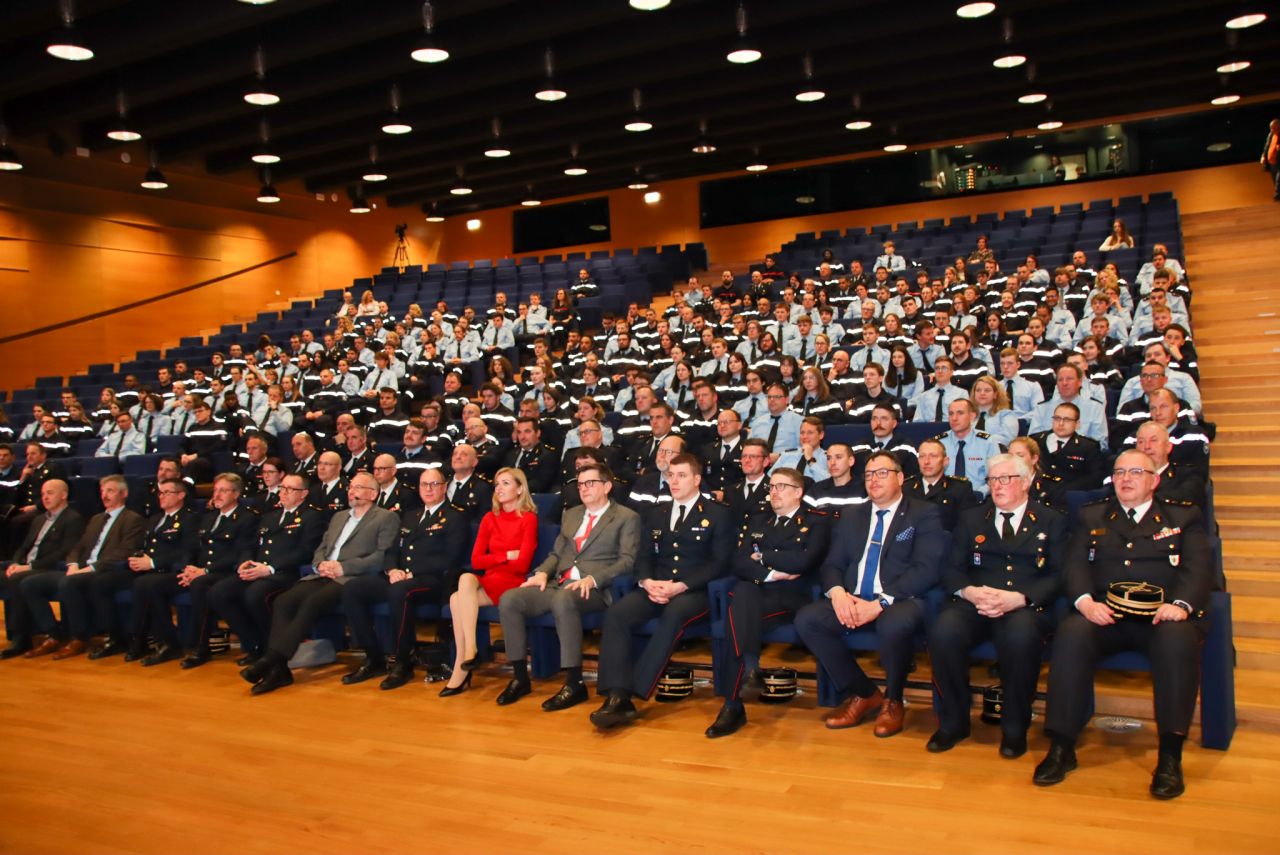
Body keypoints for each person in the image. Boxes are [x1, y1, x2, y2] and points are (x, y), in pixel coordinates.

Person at [1034, 450, 1211, 801]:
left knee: (1177, 640)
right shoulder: (1092, 515)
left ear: (1154, 480)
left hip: (1161, 616)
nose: (1125, 479)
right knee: (1071, 634)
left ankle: (1170, 755)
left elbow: (1199, 568)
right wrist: (1085, 601)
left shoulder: (1182, 515)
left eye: (1135, 472)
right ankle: (1062, 746)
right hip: (1107, 615)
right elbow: (1074, 565)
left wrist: (1179, 605)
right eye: (1119, 473)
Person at [795, 451, 948, 738]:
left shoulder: (923, 513)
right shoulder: (853, 515)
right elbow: (832, 564)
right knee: (808, 620)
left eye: (882, 473)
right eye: (868, 474)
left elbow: (926, 569)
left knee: (894, 623)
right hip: (854, 596)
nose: (873, 480)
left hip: (901, 597)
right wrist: (838, 594)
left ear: (900, 478)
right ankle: (864, 693)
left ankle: (893, 699)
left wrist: (880, 603)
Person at [927, 453, 1069, 758]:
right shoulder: (972, 518)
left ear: (1026, 482)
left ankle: (1015, 727)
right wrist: (969, 592)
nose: (998, 485)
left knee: (1021, 637)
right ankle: (954, 721)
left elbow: (1060, 575)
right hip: (976, 601)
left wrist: (1021, 598)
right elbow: (951, 569)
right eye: (993, 479)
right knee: (943, 631)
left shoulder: (1051, 520)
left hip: (1023, 605)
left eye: (1006, 478)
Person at [590, 453, 733, 729]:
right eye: (670, 476)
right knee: (617, 613)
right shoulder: (657, 513)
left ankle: (635, 690)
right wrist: (646, 581)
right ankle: (616, 695)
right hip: (657, 587)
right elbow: (644, 555)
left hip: (694, 591)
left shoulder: (718, 514)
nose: (674, 481)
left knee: (674, 614)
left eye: (681, 476)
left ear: (697, 480)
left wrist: (681, 585)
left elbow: (720, 563)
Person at [497, 462, 641, 711]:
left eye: (590, 483)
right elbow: (556, 554)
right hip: (560, 583)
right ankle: (520, 678)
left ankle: (574, 683)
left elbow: (627, 561)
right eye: (580, 484)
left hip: (594, 589)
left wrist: (594, 579)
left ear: (607, 486)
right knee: (510, 599)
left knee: (563, 599)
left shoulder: (626, 517)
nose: (583, 488)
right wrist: (542, 572)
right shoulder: (572, 514)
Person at [240, 471, 399, 694]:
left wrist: (343, 567)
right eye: (351, 487)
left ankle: (272, 660)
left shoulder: (385, 517)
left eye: (358, 487)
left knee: (313, 602)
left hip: (352, 578)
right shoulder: (339, 517)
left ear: (373, 494)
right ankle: (279, 670)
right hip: (323, 574)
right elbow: (321, 549)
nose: (351, 491)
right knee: (284, 601)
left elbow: (381, 556)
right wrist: (320, 564)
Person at [706, 467, 830, 738]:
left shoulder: (817, 520)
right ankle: (744, 681)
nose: (774, 492)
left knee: (736, 615)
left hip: (794, 598)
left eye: (781, 486)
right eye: (771, 487)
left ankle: (734, 703)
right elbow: (738, 562)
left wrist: (762, 557)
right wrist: (771, 573)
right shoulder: (759, 520)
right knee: (742, 594)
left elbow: (804, 561)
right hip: (759, 593)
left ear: (798, 492)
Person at [340, 467, 470, 690]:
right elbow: (392, 550)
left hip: (434, 580)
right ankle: (374, 658)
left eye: (434, 484)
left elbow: (452, 557)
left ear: (444, 487)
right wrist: (392, 569)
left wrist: (411, 573)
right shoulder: (411, 515)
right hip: (401, 577)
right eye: (423, 484)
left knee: (399, 591)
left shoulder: (455, 516)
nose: (428, 489)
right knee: (353, 589)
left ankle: (403, 661)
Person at [132, 473, 259, 667]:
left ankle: (201, 648)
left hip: (224, 572)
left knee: (200, 585)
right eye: (215, 490)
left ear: (236, 494)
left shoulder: (247, 518)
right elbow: (193, 548)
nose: (217, 495)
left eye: (223, 491)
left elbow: (239, 553)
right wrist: (187, 569)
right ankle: (168, 642)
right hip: (200, 571)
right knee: (151, 584)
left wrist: (205, 570)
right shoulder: (209, 517)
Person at [17, 476, 145, 660]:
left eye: (110, 491)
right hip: (80, 570)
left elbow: (124, 552)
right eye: (102, 491)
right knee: (30, 583)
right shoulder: (96, 519)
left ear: (124, 493)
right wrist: (73, 564)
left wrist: (89, 568)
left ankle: (79, 637)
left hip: (106, 571)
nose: (105, 495)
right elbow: (78, 546)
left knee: (69, 583)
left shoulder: (133, 519)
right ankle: (54, 634)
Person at [205, 472, 325, 667]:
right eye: (282, 488)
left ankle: (274, 647)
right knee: (219, 592)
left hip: (286, 573)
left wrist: (270, 568)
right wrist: (245, 562)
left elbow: (306, 551)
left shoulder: (312, 516)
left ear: (303, 494)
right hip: (259, 569)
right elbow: (251, 545)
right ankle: (253, 643)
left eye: (290, 489)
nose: (283, 493)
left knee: (254, 595)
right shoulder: (271, 516)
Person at [439, 467, 538, 696]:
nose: (499, 488)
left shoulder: (528, 519)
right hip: (490, 579)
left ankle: (462, 667)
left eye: (505, 483)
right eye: (497, 484)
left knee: (456, 599)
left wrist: (495, 559)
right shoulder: (489, 518)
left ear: (520, 489)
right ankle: (469, 651)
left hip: (512, 584)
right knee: (464, 580)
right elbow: (476, 561)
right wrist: (506, 556)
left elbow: (522, 565)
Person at [1, 480, 86, 658]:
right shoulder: (39, 519)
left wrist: (28, 566)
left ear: (64, 495)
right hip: (27, 566)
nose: (45, 497)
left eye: (50, 493)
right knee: (9, 575)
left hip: (49, 568)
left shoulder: (73, 519)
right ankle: (27, 630)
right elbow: (23, 547)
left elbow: (64, 552)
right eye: (43, 494)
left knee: (17, 580)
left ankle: (21, 638)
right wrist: (15, 563)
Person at [1261, 117, 1279, 201]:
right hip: (1272, 163)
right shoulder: (1271, 135)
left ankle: (1277, 196)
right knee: (1275, 180)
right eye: (1271, 128)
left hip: (1279, 161)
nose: (1272, 130)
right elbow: (1267, 146)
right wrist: (1264, 156)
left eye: (1274, 128)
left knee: (1279, 180)